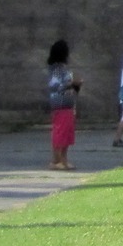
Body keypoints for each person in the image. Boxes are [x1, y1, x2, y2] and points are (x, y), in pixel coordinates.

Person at [45, 40, 82, 170]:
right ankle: (56, 160)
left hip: (67, 104)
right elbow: (54, 85)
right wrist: (71, 84)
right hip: (59, 104)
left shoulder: (63, 68)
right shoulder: (55, 69)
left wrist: (76, 86)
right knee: (59, 132)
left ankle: (64, 159)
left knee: (67, 133)